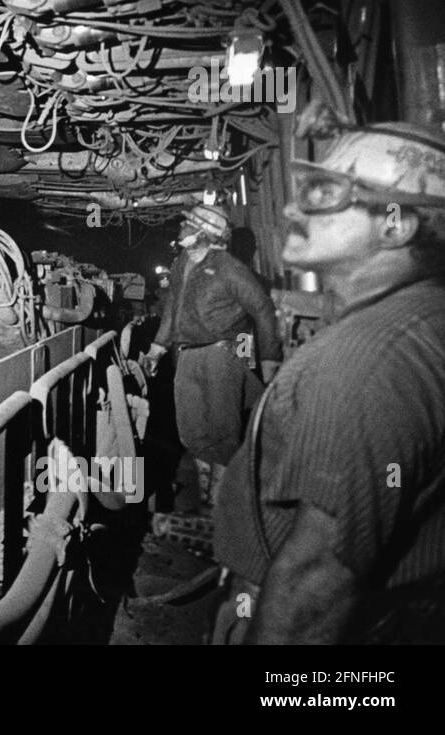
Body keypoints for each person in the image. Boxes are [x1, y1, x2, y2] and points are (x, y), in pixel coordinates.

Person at [213, 122, 445, 644]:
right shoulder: (420, 319)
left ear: (395, 224)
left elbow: (318, 584)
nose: (293, 210)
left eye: (324, 193)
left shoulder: (362, 364)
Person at [145, 204, 281, 477]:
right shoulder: (183, 262)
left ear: (205, 232)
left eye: (189, 224)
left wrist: (269, 359)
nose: (183, 227)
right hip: (187, 355)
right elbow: (173, 304)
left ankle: (229, 496)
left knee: (222, 435)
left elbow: (263, 309)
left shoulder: (229, 268)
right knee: (190, 431)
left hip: (222, 353)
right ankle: (208, 489)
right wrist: (157, 348)